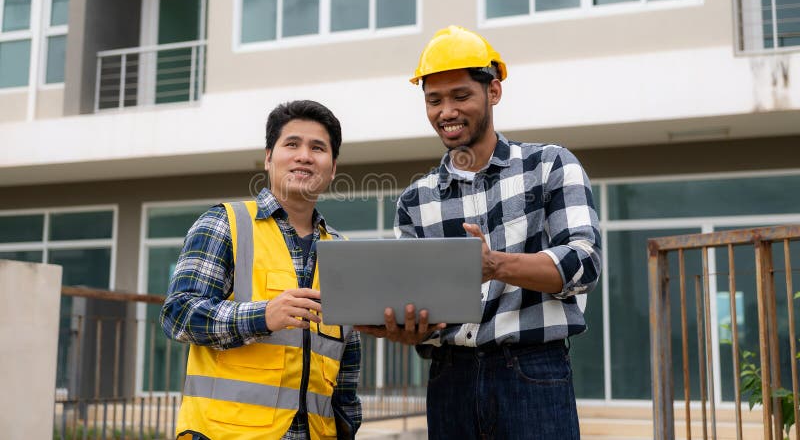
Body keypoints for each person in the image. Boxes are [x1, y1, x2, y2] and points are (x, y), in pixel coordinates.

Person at [358, 26, 601, 439]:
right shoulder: (416, 199)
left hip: (532, 372)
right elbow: (419, 300)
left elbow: (584, 264)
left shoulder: (549, 166)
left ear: (494, 92)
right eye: (434, 100)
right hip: (450, 378)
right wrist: (403, 325)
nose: (446, 111)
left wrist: (496, 266)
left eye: (460, 96)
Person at [161, 100, 361, 440]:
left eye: (318, 148)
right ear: (269, 157)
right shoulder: (225, 224)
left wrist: (347, 428)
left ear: (333, 167)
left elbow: (347, 362)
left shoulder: (341, 250)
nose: (304, 156)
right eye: (292, 144)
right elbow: (178, 315)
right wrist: (262, 316)